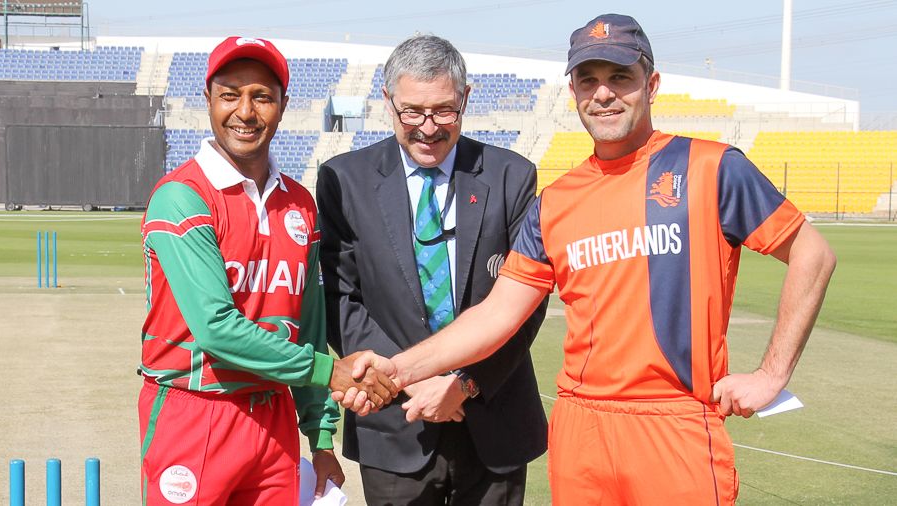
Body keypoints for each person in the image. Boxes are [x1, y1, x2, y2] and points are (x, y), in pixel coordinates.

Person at [351, 14, 837, 505]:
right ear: (574, 92)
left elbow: (812, 255)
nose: (603, 93)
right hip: (580, 430)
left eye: (619, 77)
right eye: (589, 80)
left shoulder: (712, 167)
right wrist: (397, 371)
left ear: (652, 84)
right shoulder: (557, 201)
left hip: (674, 424)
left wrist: (772, 374)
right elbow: (497, 315)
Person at [138, 36, 397, 504]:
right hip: (196, 411)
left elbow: (310, 326)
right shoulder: (181, 197)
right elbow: (216, 330)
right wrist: (329, 372)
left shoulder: (299, 203)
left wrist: (320, 439)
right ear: (208, 100)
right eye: (230, 94)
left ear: (282, 105)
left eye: (261, 96)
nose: (245, 111)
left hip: (274, 416)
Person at [317, 34, 548, 505]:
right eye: (412, 112)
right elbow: (341, 299)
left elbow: (527, 302)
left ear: (465, 98)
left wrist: (463, 383)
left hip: (493, 418)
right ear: (388, 102)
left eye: (444, 110)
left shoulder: (511, 176)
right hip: (393, 422)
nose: (428, 127)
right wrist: (410, 379)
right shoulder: (344, 180)